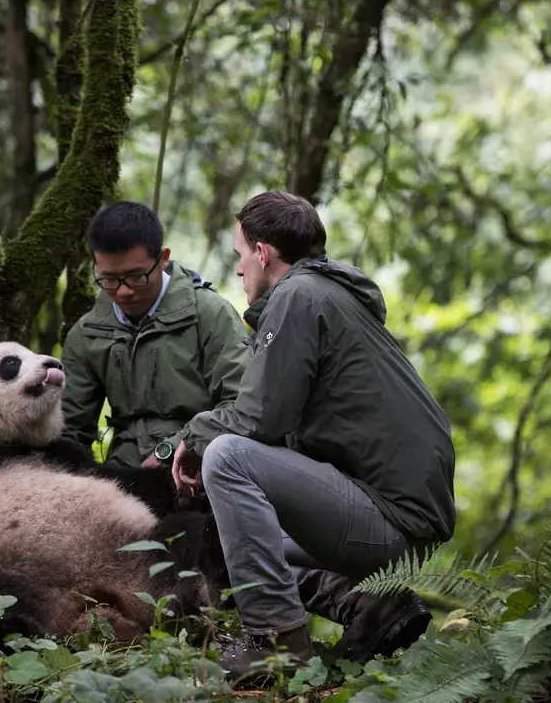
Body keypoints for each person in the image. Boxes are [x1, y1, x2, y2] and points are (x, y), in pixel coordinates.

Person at [172, 191, 458, 682]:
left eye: (240, 254)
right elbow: (283, 429)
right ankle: (375, 607)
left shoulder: (299, 297)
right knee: (236, 542)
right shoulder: (328, 296)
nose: (239, 270)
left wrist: (192, 436)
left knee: (226, 456)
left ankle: (275, 644)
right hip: (392, 520)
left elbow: (258, 421)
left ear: (262, 252)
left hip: (390, 524)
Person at [60, 201, 251, 471]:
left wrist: (172, 449)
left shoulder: (210, 315)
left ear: (163, 258)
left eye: (136, 276)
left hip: (203, 463)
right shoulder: (87, 333)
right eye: (109, 279)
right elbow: (70, 430)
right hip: (125, 470)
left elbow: (240, 404)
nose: (124, 291)